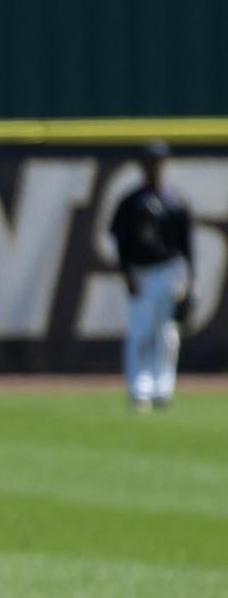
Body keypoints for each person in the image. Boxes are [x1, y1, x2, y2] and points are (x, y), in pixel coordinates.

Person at [109, 139, 192, 411]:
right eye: (149, 161)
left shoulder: (174, 201)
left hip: (167, 270)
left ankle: (162, 389)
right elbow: (120, 242)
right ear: (142, 165)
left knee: (167, 334)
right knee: (140, 330)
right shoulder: (131, 202)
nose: (153, 166)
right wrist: (126, 272)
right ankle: (139, 388)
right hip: (140, 271)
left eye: (157, 161)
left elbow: (185, 247)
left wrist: (189, 281)